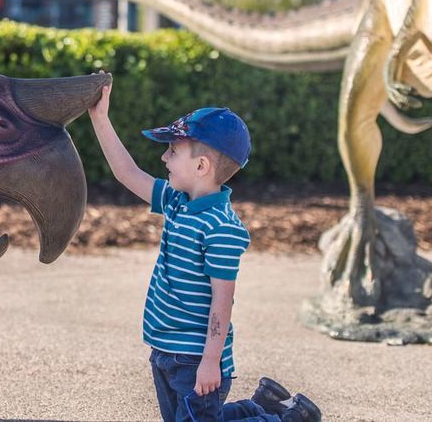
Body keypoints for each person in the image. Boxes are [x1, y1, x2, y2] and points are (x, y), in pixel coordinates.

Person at [87, 78, 321, 422]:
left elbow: (221, 301)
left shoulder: (221, 229)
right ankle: (265, 405)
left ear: (201, 167)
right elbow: (126, 172)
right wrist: (100, 118)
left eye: (173, 151)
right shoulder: (175, 201)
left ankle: (285, 418)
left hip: (196, 360)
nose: (164, 157)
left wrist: (211, 362)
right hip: (164, 350)